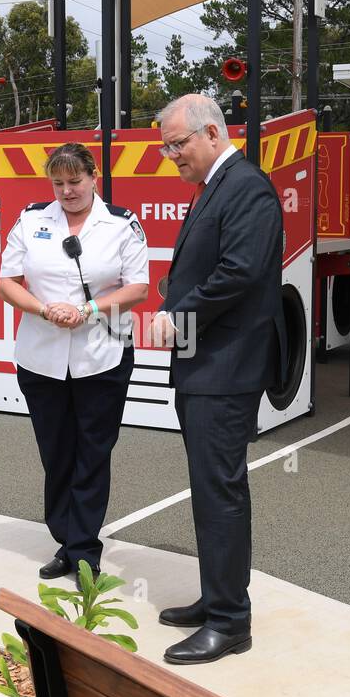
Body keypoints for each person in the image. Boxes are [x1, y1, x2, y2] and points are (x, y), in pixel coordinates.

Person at [146, 94, 286, 666]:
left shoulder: (245, 186)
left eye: (176, 144)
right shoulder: (219, 186)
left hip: (224, 369)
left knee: (219, 491)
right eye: (165, 147)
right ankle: (216, 597)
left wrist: (175, 317)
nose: (170, 155)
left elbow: (240, 272)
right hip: (208, 363)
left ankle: (230, 622)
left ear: (209, 133)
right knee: (209, 488)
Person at [0, 143, 150, 581]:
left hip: (101, 356)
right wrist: (46, 310)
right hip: (41, 359)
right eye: (58, 183)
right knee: (57, 453)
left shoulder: (122, 224)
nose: (67, 191)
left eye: (75, 182)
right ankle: (66, 534)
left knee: (93, 453)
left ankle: (83, 549)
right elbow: (7, 283)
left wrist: (86, 310)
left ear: (93, 177)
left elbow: (137, 288)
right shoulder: (31, 219)